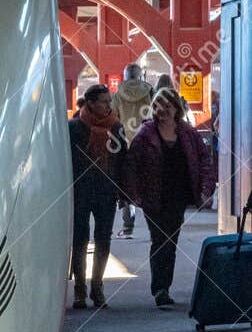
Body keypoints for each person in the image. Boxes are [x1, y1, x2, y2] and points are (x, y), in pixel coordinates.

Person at [126, 85, 216, 308]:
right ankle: (160, 289)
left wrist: (206, 189)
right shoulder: (145, 135)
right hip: (153, 196)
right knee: (160, 240)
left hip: (177, 196)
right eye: (158, 105)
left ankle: (165, 285)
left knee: (170, 240)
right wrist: (134, 194)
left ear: (176, 108)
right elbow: (132, 165)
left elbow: (204, 161)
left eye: (167, 105)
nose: (163, 110)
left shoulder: (188, 134)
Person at [68, 83, 127, 310]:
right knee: (80, 239)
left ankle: (97, 287)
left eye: (109, 101)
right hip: (80, 190)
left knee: (104, 238)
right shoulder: (74, 128)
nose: (108, 105)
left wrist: (123, 191)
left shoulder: (116, 127)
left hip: (106, 191)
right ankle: (80, 290)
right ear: (91, 103)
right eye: (104, 101)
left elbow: (122, 160)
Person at [112, 63, 154, 235]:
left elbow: (114, 119)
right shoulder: (150, 92)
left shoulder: (117, 95)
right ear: (140, 75)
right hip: (147, 143)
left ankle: (128, 225)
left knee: (126, 183)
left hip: (125, 144)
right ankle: (154, 226)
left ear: (125, 76)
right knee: (149, 183)